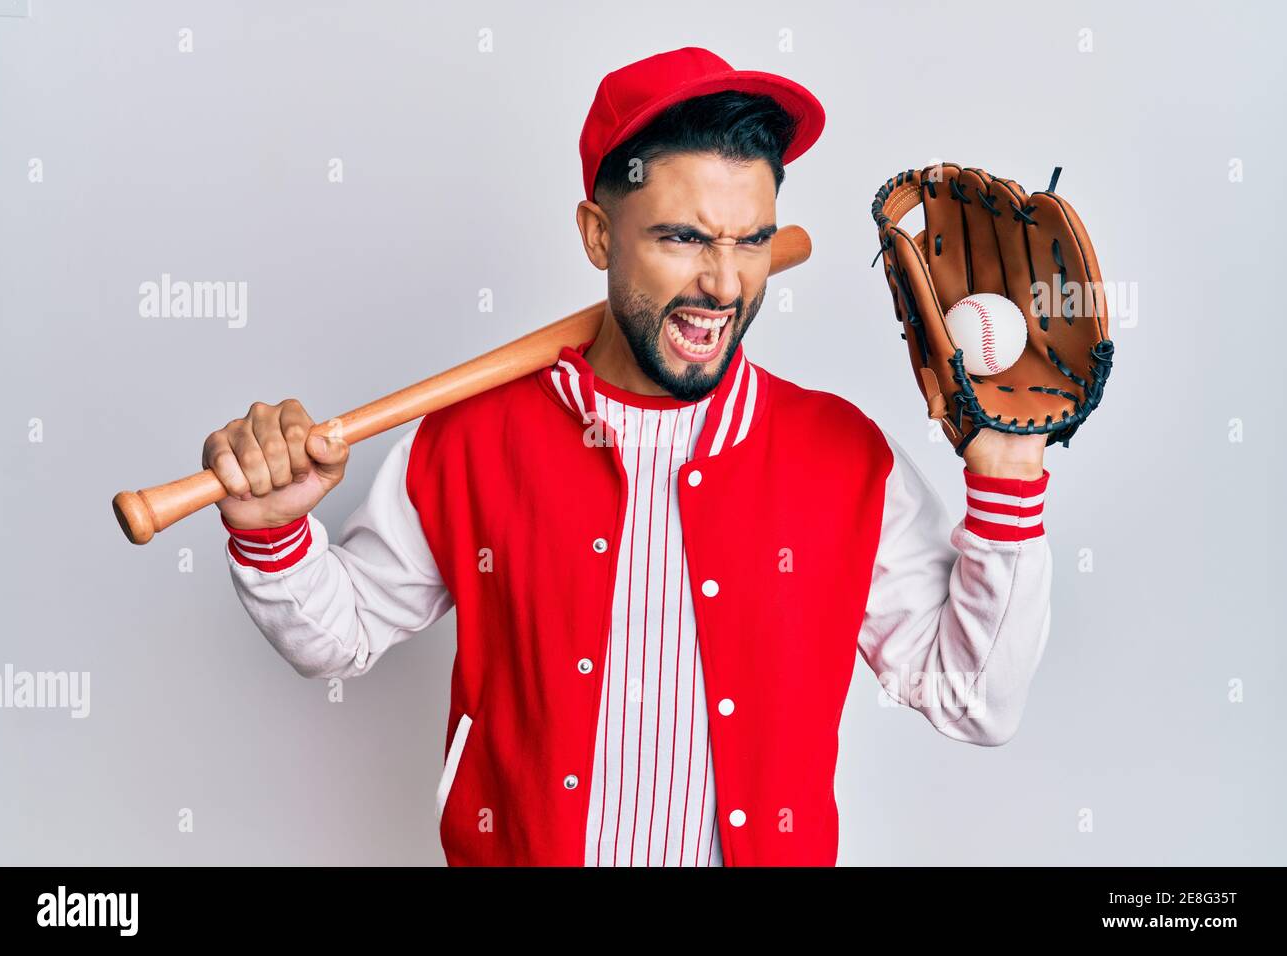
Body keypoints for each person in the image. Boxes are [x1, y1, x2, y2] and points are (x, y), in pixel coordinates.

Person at [202, 47, 1053, 867]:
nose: (723, 285)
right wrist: (273, 533)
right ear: (598, 234)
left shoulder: (844, 459)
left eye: (749, 240)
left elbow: (973, 701)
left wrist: (1007, 471)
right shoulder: (471, 438)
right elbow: (337, 637)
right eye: (683, 238)